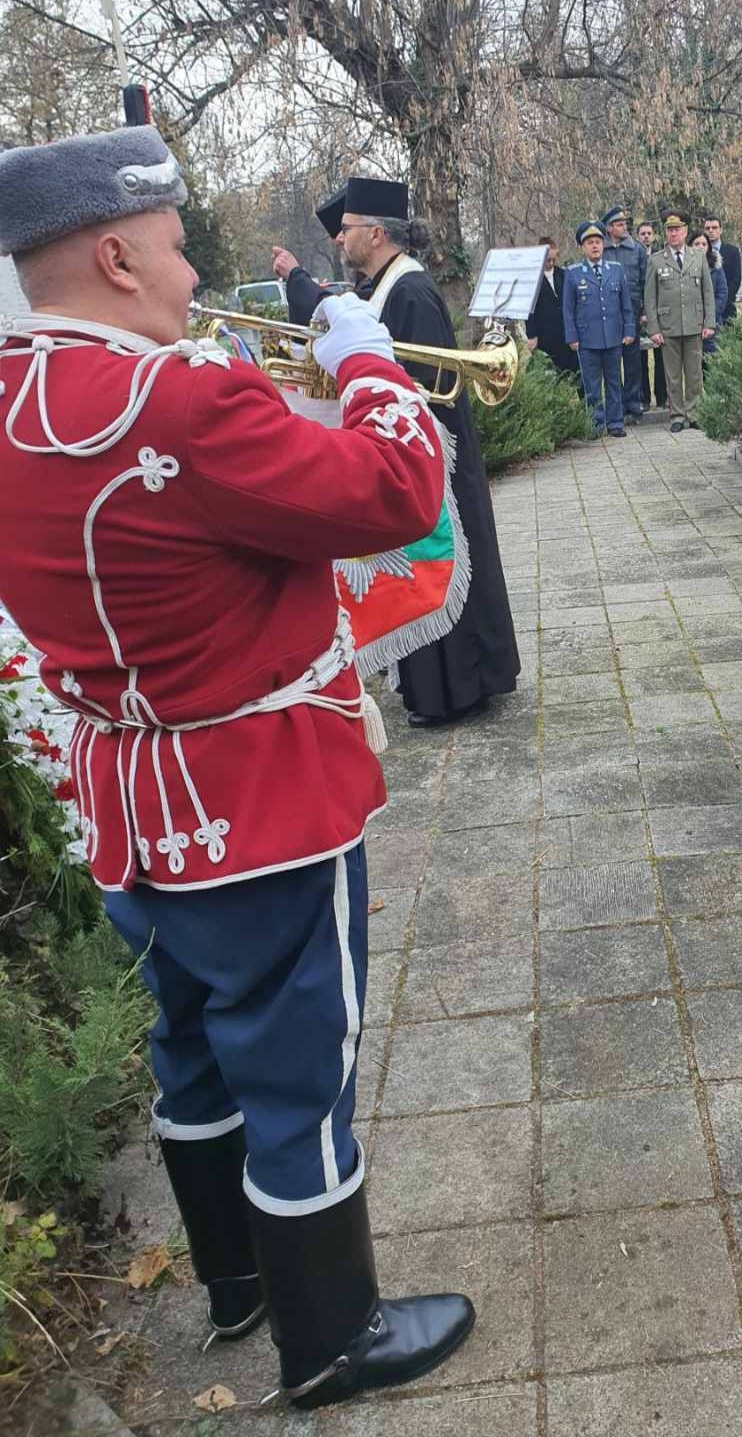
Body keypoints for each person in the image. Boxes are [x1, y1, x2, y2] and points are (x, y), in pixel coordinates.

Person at [0, 126, 474, 1408]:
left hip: (127, 799)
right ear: (114, 257)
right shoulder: (183, 401)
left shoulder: (11, 398)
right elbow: (395, 490)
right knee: (298, 1066)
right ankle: (333, 1338)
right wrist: (365, 359)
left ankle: (234, 1284)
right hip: (255, 797)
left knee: (191, 1044)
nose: (194, 279)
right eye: (172, 250)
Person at [275, 177, 520, 728]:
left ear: (377, 234)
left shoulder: (409, 291)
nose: (340, 238)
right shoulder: (387, 286)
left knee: (437, 567)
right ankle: (441, 685)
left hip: (433, 454)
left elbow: (417, 380)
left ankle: (457, 690)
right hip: (419, 449)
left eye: (348, 229)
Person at [644, 208, 715, 433]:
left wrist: (709, 322)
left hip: (694, 324)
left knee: (694, 374)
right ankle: (676, 415)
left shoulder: (698, 257)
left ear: (685, 231)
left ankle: (694, 414)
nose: (673, 234)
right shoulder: (656, 260)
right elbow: (650, 297)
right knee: (672, 376)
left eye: (677, 229)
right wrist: (654, 328)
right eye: (670, 230)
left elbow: (707, 292)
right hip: (669, 326)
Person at [563, 219, 635, 438]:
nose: (595, 246)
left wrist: (629, 330)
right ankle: (595, 424)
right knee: (592, 386)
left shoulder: (616, 270)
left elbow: (625, 303)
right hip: (587, 340)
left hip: (613, 337)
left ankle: (615, 423)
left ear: (603, 244)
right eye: (590, 243)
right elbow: (568, 309)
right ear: (582, 247)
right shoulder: (573, 273)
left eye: (598, 242)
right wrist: (572, 336)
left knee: (614, 382)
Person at [601, 205, 648, 424]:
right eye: (619, 225)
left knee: (632, 361)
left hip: (632, 313)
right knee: (612, 362)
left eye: (624, 224)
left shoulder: (636, 249)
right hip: (609, 314)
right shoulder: (602, 249)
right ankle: (617, 405)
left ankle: (633, 404)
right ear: (609, 228)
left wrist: (644, 311)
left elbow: (645, 282)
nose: (624, 227)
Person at [525, 237, 578, 377]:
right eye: (548, 260)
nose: (552, 263)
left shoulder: (564, 274)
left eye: (554, 259)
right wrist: (531, 335)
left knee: (575, 373)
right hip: (545, 336)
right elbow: (528, 310)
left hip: (566, 333)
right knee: (551, 376)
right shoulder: (531, 279)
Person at [636, 220, 668, 409]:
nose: (646, 236)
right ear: (638, 236)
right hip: (640, 315)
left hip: (659, 314)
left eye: (649, 233)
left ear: (654, 235)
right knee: (640, 360)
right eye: (643, 233)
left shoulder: (661, 256)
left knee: (661, 358)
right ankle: (644, 399)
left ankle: (662, 397)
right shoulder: (634, 255)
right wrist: (642, 312)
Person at [691, 231, 727, 358]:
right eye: (697, 244)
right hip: (691, 323)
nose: (700, 247)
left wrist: (710, 316)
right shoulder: (683, 268)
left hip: (712, 323)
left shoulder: (716, 267)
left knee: (712, 358)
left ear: (709, 247)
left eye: (704, 244)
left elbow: (722, 294)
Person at [702, 214, 742, 321]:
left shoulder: (732, 251)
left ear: (721, 230)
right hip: (703, 311)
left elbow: (736, 279)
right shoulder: (698, 252)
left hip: (727, 309)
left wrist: (722, 301)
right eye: (707, 228)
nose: (711, 231)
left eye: (714, 227)